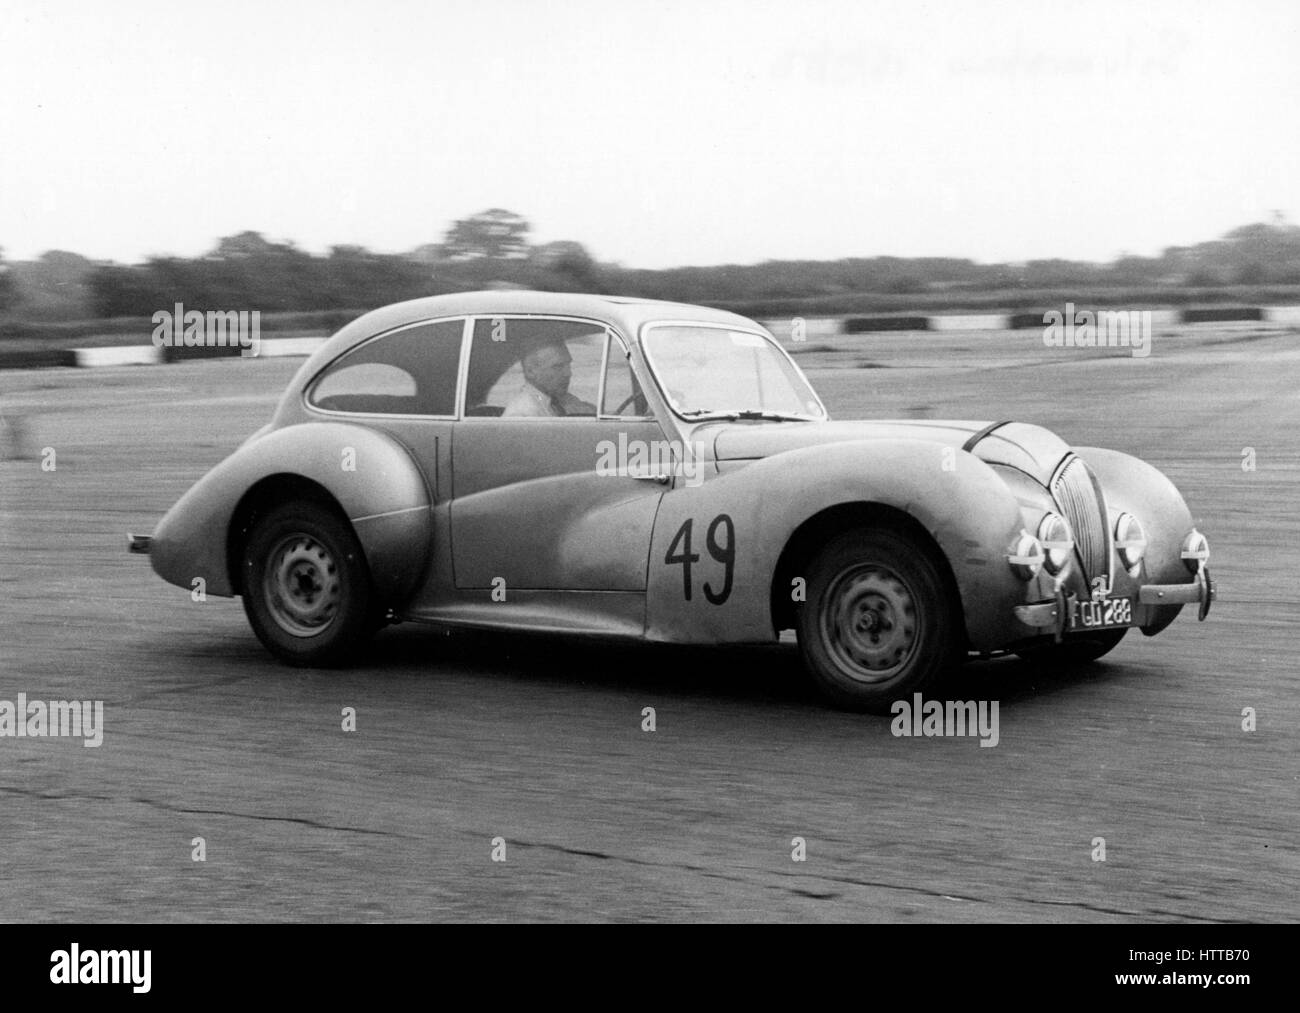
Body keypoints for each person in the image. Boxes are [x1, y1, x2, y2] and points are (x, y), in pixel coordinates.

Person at [501, 342, 596, 417]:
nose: (568, 373)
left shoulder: (564, 400)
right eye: (557, 367)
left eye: (568, 365)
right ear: (531, 371)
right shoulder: (523, 414)